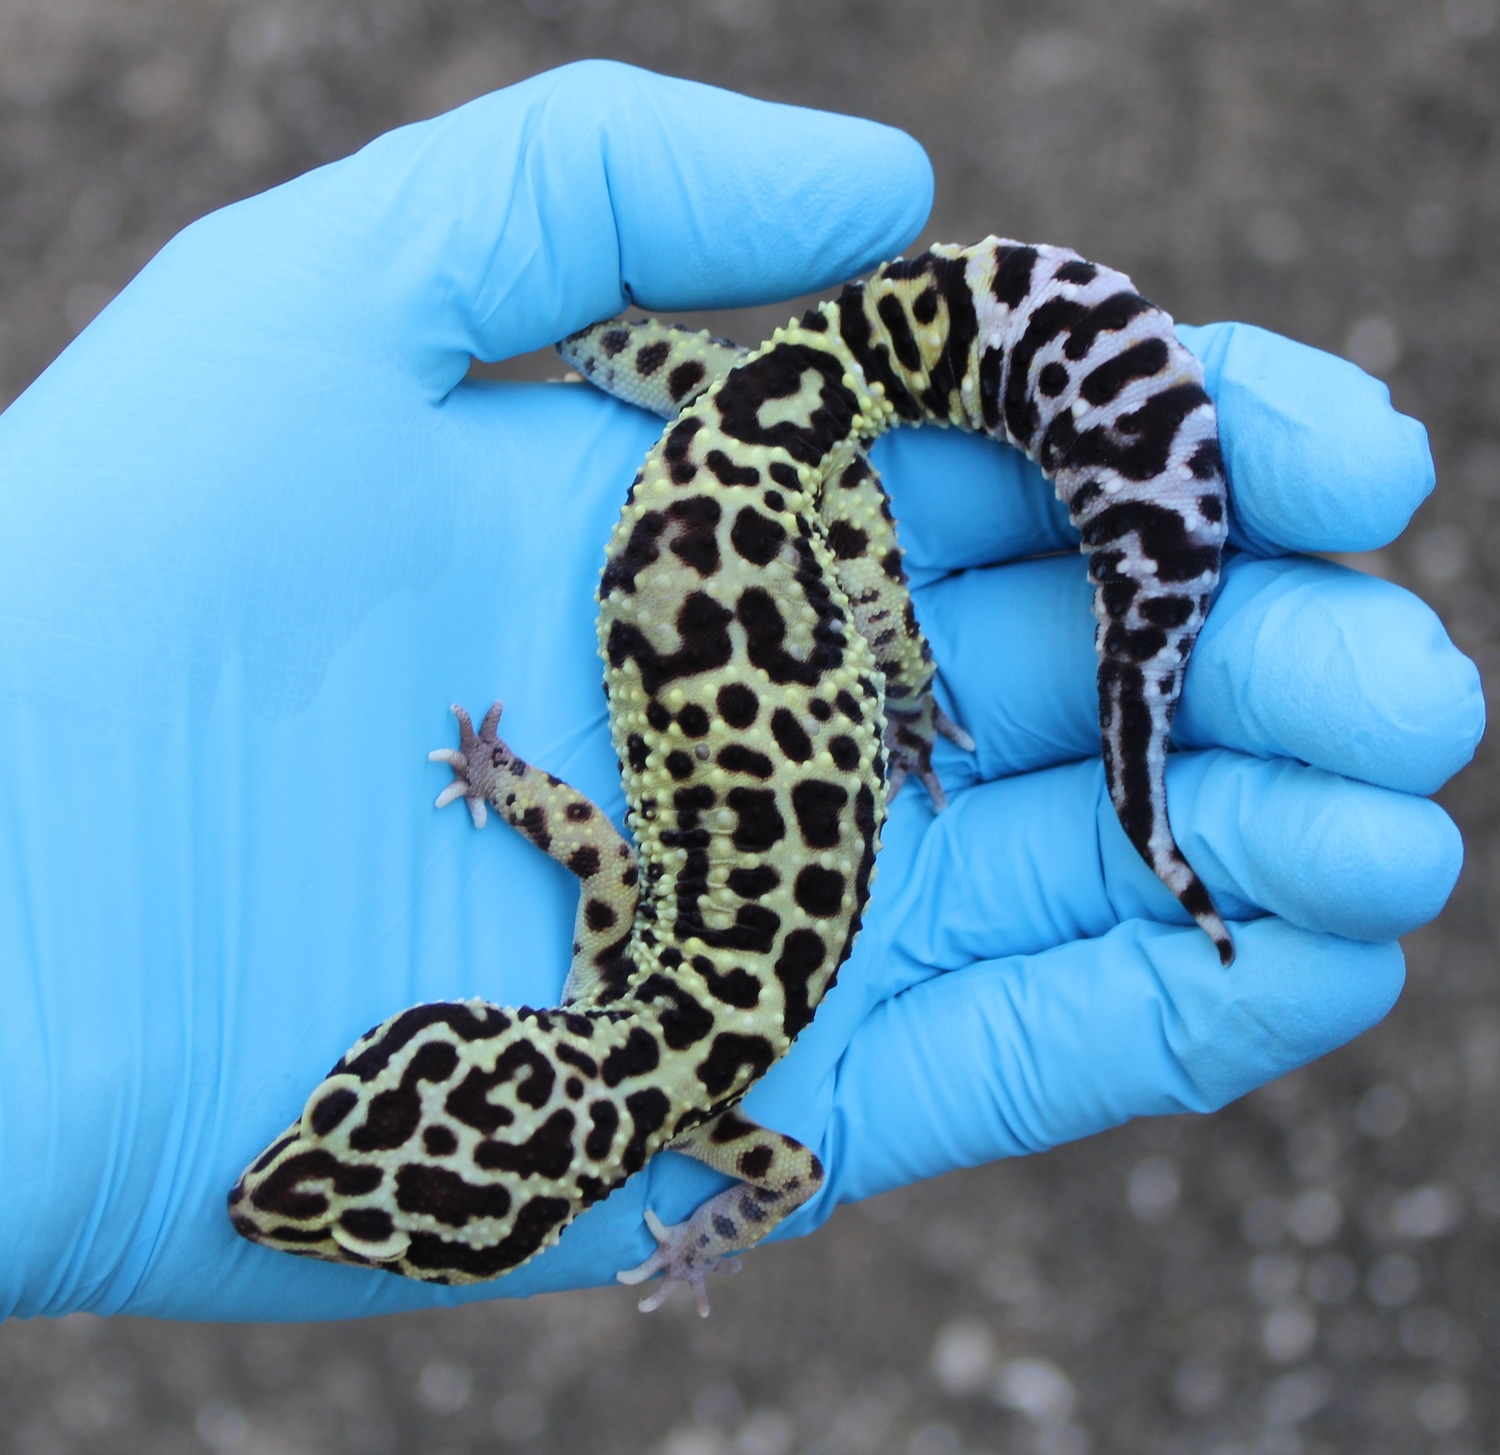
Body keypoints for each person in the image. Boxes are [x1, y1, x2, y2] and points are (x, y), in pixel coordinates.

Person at [0, 61, 1480, 1322]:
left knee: (880, 540)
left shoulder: (705, 1115)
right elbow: (588, 847)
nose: (285, 1192)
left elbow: (774, 1159)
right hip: (719, 432)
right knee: (620, 356)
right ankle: (1039, 646)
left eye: (333, 1136)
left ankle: (1065, 644)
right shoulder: (609, 996)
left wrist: (710, 1226)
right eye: (354, 1192)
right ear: (470, 1057)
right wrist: (503, 781)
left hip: (776, 464)